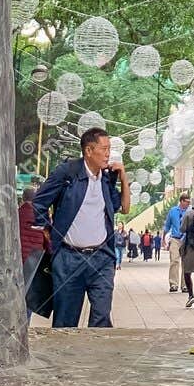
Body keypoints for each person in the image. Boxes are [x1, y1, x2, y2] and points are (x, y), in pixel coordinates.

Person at [33, 127, 129, 329]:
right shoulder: (67, 173)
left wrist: (122, 178)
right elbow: (39, 202)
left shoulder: (106, 178)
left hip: (102, 258)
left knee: (102, 318)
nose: (108, 153)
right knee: (65, 323)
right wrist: (47, 229)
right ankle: (65, 360)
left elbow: (122, 207)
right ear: (88, 151)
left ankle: (97, 360)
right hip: (69, 259)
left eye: (109, 148)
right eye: (103, 149)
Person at [18, 184, 48, 320]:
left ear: (23, 198)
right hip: (35, 258)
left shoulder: (16, 213)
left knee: (17, 292)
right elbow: (47, 238)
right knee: (29, 294)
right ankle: (26, 323)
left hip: (19, 257)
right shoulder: (41, 215)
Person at [162, 192, 190, 292]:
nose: (188, 204)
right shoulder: (173, 211)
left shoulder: (190, 212)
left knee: (185, 262)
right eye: (186, 202)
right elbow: (167, 226)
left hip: (187, 239)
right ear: (181, 201)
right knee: (174, 260)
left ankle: (185, 284)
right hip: (175, 238)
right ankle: (173, 283)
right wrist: (163, 239)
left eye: (189, 202)